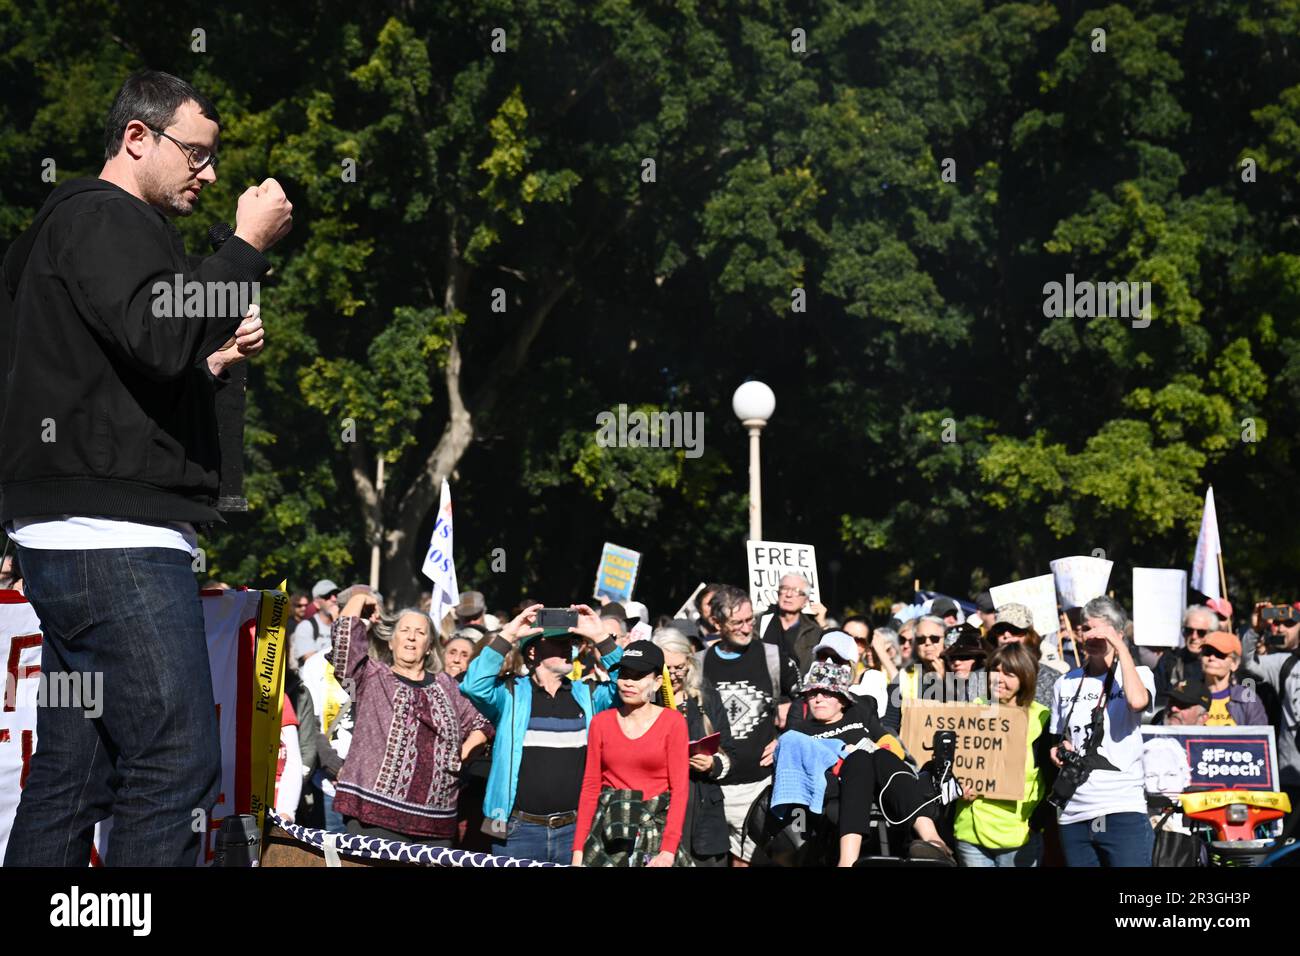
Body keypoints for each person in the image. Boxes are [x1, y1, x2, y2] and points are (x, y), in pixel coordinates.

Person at [0, 70, 291, 867]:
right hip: (112, 545)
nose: (208, 173)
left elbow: (119, 386)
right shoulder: (103, 215)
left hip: (75, 539)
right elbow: (161, 334)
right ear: (136, 137)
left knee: (73, 775)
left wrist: (214, 366)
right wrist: (246, 247)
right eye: (194, 154)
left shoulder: (73, 229)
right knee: (174, 763)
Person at [460, 602, 624, 864]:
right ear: (533, 651)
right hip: (517, 831)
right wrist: (508, 635)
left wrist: (601, 639)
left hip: (576, 830)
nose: (567, 649)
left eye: (569, 643)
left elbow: (629, 687)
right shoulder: (510, 693)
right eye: (558, 643)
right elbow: (473, 686)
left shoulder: (590, 694)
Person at [330, 591, 489, 844]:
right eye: (404, 631)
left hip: (436, 822)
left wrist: (463, 753)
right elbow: (343, 645)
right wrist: (361, 598)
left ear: (429, 647)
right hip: (374, 819)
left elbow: (482, 723)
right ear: (391, 642)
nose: (412, 637)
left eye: (421, 632)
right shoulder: (370, 677)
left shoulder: (446, 686)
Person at [779, 659, 955, 865]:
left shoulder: (859, 713)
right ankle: (847, 861)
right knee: (859, 757)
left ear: (842, 700)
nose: (818, 699)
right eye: (812, 693)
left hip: (881, 780)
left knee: (883, 755)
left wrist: (881, 749)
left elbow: (890, 743)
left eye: (826, 693)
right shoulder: (801, 732)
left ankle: (933, 841)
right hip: (837, 784)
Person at [1049, 596, 1155, 867]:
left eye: (1100, 630)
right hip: (1074, 812)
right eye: (1085, 628)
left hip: (1121, 808)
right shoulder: (1065, 682)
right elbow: (1062, 736)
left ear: (1119, 633)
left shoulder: (1138, 673)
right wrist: (1060, 750)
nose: (1090, 635)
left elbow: (1137, 701)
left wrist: (1120, 646)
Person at [698, 584, 797, 866]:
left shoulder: (772, 656)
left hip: (760, 786)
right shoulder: (700, 664)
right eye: (737, 622)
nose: (746, 628)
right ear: (716, 623)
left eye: (749, 619)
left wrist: (785, 738)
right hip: (713, 788)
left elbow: (806, 702)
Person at [573, 641, 690, 866]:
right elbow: (590, 787)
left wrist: (668, 850)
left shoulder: (673, 722)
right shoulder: (601, 723)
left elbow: (680, 790)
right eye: (625, 674)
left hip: (654, 833)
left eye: (638, 676)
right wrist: (578, 850)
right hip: (608, 831)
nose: (628, 682)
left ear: (657, 682)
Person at [953, 643, 1051, 867]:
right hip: (970, 833)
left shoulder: (1042, 718)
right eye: (994, 671)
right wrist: (957, 786)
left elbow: (1052, 777)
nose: (998, 679)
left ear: (1025, 677)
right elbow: (954, 763)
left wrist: (1036, 823)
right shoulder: (973, 711)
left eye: (1008, 674)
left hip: (1018, 836)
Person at [654, 627, 734, 866]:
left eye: (680, 667)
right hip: (661, 807)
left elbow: (729, 752)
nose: (675, 674)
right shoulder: (647, 701)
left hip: (702, 806)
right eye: (667, 669)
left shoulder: (705, 697)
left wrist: (712, 764)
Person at [1241, 605, 1300, 820]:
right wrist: (1254, 631)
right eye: (1279, 623)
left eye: (1290, 624)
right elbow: (1246, 663)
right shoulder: (1286, 663)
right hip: (1289, 774)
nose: (1282, 629)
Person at [883, 614, 949, 733]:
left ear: (946, 640)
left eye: (934, 638)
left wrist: (944, 683)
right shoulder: (905, 674)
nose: (927, 643)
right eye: (921, 640)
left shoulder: (959, 669)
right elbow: (889, 723)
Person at [989, 603, 1060, 708]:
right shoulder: (979, 677)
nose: (1006, 635)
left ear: (1029, 635)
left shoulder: (1053, 679)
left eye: (1014, 630)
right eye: (1000, 629)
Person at [758, 574, 823, 675]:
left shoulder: (814, 631)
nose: (788, 594)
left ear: (805, 601)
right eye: (784, 588)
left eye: (796, 591)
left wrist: (823, 623)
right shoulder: (759, 622)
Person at [1197, 632, 1267, 726]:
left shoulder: (1247, 700)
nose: (1212, 658)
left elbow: (1259, 737)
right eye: (1207, 652)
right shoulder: (1188, 693)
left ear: (1234, 664)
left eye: (1219, 654)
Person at [1153, 605, 1215, 709]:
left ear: (1212, 633)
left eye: (1201, 632)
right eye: (1189, 630)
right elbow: (1157, 696)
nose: (1194, 637)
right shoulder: (1169, 659)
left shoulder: (1218, 661)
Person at [290, 579, 340, 666]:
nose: (334, 599)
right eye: (327, 596)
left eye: (336, 595)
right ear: (317, 603)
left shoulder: (344, 625)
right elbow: (312, 663)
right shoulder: (306, 627)